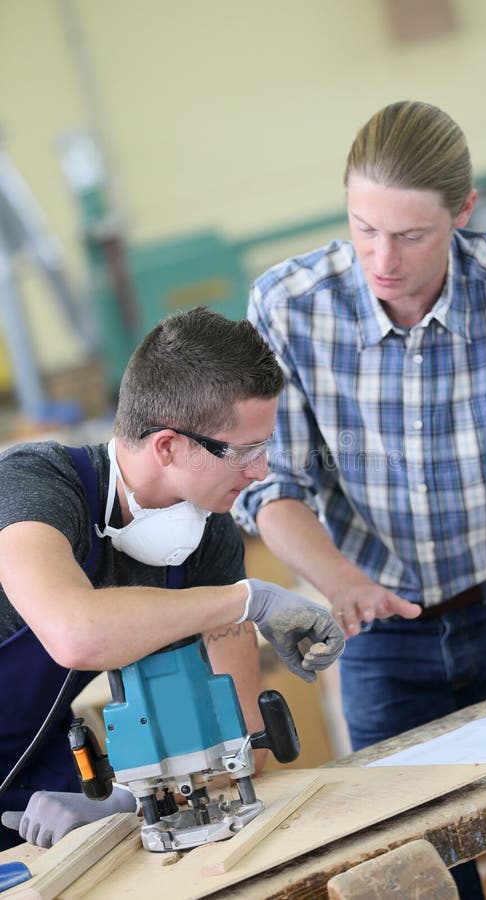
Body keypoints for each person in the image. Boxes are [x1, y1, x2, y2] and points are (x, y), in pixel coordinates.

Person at [235, 100, 486, 899]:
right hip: (378, 635)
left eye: (410, 235)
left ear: (463, 213)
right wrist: (339, 581)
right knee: (418, 875)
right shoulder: (289, 308)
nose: (383, 259)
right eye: (364, 228)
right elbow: (270, 486)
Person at [0, 305, 344, 851]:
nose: (262, 471)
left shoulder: (209, 537)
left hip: (41, 781)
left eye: (265, 445)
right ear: (167, 445)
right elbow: (75, 633)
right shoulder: (35, 484)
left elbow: (242, 741)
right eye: (244, 450)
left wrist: (127, 801)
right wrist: (246, 602)